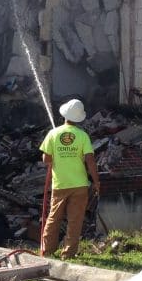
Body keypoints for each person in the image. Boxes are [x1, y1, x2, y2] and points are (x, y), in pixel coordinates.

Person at [39, 98, 101, 258]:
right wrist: (96, 181)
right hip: (80, 185)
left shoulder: (53, 134)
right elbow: (90, 160)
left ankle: (47, 251)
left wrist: (59, 155)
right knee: (75, 221)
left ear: (65, 115)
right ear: (79, 117)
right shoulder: (83, 136)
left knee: (53, 218)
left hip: (60, 184)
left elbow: (46, 159)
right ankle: (68, 254)